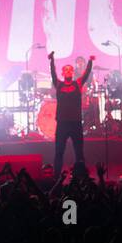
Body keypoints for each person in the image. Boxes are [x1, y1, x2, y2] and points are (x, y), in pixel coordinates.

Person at [48, 50, 94, 183]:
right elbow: (52, 73)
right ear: (63, 73)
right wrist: (52, 60)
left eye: (70, 70)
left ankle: (82, 177)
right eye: (66, 70)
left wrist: (90, 61)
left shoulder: (78, 83)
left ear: (72, 73)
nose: (68, 71)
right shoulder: (59, 84)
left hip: (75, 122)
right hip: (62, 123)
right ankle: (56, 178)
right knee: (59, 151)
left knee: (79, 151)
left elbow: (86, 74)